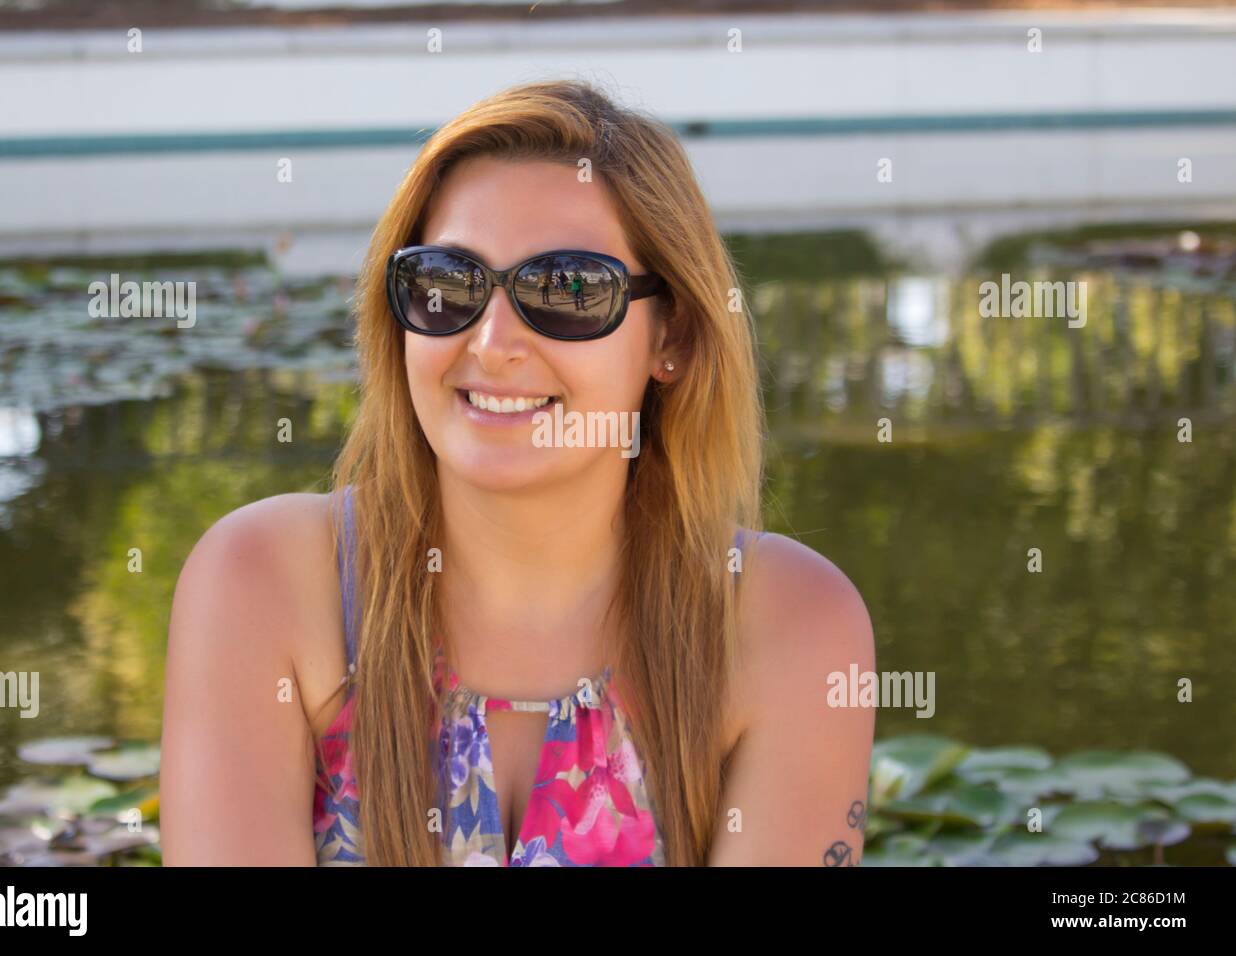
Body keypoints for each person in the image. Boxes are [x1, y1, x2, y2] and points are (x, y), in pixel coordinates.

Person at [161, 79, 875, 867]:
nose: (492, 341)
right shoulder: (262, 583)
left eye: (567, 288)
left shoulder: (790, 624)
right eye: (447, 284)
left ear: (673, 334)